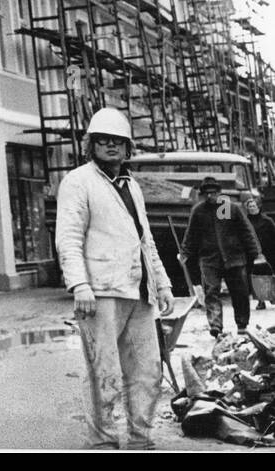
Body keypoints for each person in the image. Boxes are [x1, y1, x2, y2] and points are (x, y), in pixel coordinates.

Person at [55, 107, 175, 450]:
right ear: (90, 146)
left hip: (138, 292)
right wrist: (79, 284)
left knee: (147, 371)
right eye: (103, 141)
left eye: (117, 142)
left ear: (127, 149)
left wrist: (162, 283)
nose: (110, 147)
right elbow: (69, 237)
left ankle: (140, 439)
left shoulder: (131, 185)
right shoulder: (78, 182)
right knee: (102, 372)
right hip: (99, 292)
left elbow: (145, 239)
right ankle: (103, 444)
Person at [178, 177, 264, 336]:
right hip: (209, 259)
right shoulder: (198, 211)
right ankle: (216, 326)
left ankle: (242, 324)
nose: (211, 196)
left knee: (240, 292)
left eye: (214, 192)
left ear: (219, 192)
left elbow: (247, 232)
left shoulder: (232, 208)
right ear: (203, 194)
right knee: (211, 291)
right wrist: (184, 253)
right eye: (208, 193)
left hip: (234, 258)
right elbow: (191, 235)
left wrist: (256, 253)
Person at [245, 195, 275, 310]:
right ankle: (260, 300)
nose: (252, 208)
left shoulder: (267, 221)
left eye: (254, 206)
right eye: (250, 206)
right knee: (255, 277)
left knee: (268, 275)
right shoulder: (245, 222)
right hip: (252, 253)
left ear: (259, 207)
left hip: (268, 253)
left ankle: (271, 296)